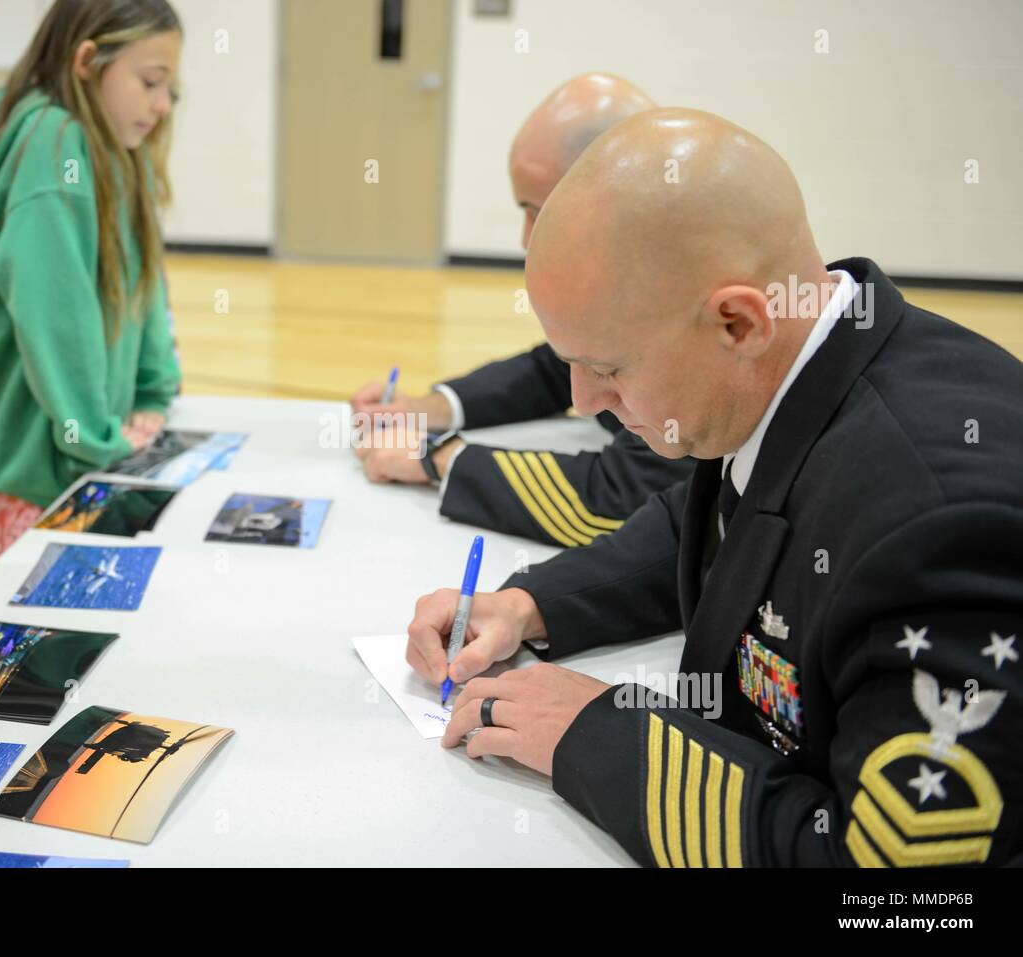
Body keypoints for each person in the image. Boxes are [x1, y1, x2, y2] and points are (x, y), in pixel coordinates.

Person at [406, 108, 1023, 866]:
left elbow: (898, 892)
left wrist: (602, 735)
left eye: (608, 367)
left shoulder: (942, 529)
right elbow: (719, 524)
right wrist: (531, 603)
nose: (582, 401)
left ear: (738, 323)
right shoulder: (810, 371)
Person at [351, 74, 691, 548]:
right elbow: (553, 369)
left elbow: (626, 501)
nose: (526, 239)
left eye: (538, 211)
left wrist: (437, 458)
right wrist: (426, 411)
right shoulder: (644, 274)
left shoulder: (685, 303)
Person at [0, 0, 185, 585]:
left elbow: (143, 286)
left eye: (170, 87)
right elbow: (56, 314)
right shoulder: (54, 143)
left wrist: (153, 392)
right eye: (151, 82)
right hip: (47, 485)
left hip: (88, 460)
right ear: (86, 61)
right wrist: (94, 441)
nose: (163, 103)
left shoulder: (113, 149)